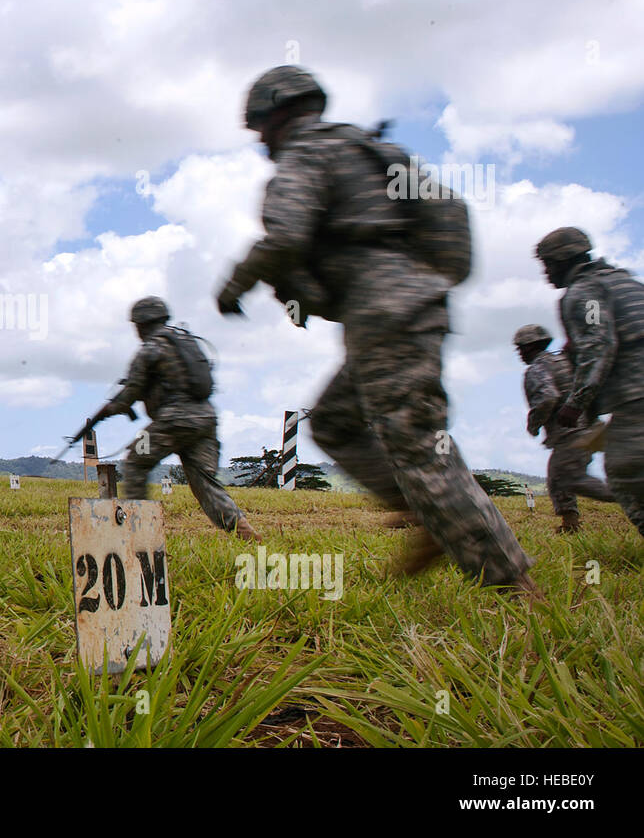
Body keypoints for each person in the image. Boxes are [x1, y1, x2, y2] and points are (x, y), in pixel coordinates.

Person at [216, 65, 535, 593]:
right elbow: (446, 217)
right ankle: (425, 513)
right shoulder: (368, 152)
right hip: (397, 310)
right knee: (336, 423)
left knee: (415, 443)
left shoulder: (309, 153)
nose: (262, 142)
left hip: (386, 313)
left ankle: (514, 588)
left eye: (261, 128)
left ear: (278, 112)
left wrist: (234, 284)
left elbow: (286, 237)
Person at [86, 296, 261, 542]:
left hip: (174, 420)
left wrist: (108, 410)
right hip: (205, 420)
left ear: (141, 323)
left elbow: (130, 394)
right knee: (204, 481)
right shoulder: (185, 341)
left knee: (136, 462)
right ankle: (242, 530)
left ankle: (140, 532)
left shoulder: (150, 349)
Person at [535, 226, 644, 539]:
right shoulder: (626, 282)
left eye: (547, 265)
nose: (546, 274)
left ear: (560, 261)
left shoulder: (584, 291)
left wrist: (577, 402)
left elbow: (599, 343)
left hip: (636, 396)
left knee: (627, 475)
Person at [513, 323, 615, 533]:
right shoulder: (565, 362)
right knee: (558, 476)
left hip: (570, 432)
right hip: (592, 427)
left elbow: (547, 398)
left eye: (520, 348)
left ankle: (629, 493)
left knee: (569, 477)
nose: (519, 354)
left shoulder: (538, 368)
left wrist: (534, 424)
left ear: (529, 347)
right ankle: (570, 524)